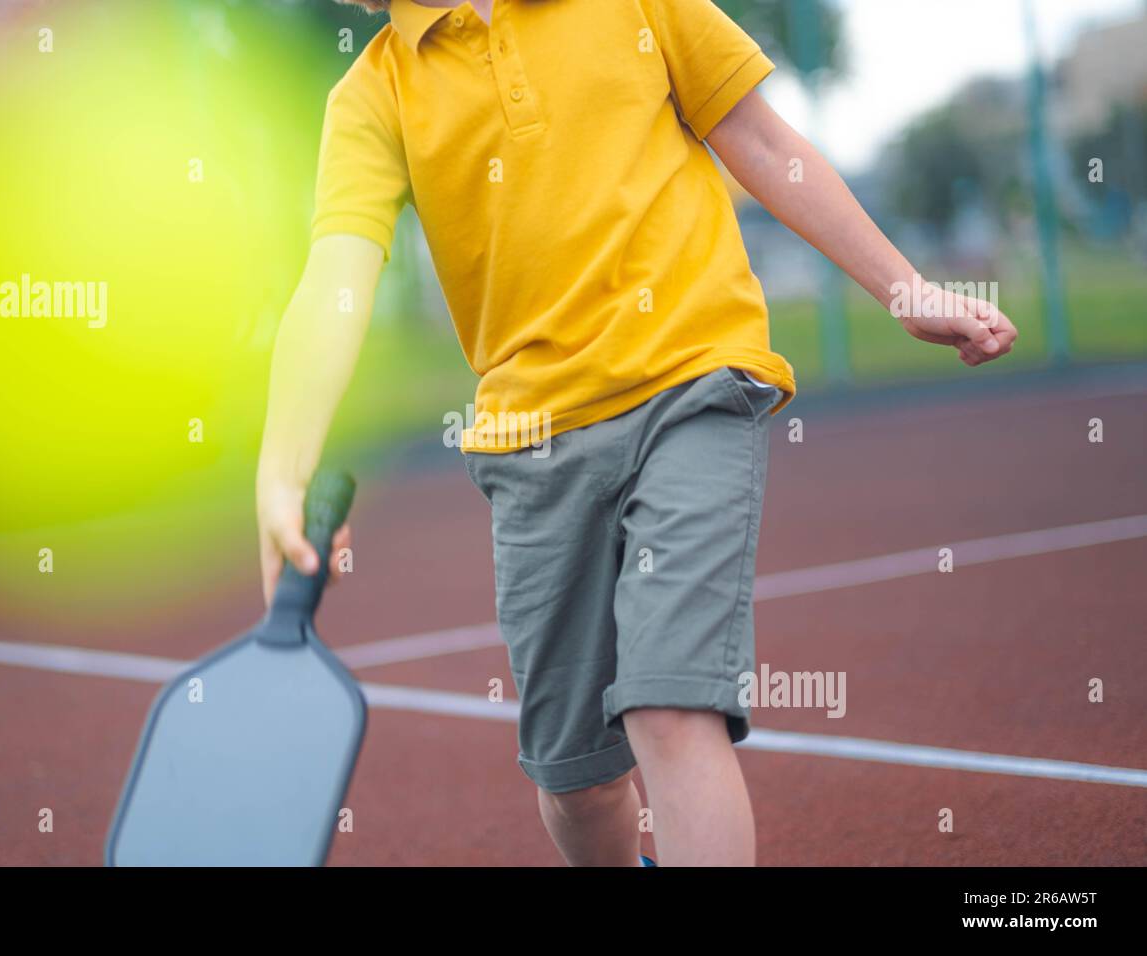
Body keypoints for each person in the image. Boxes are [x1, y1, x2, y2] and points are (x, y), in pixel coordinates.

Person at [255, 0, 1017, 866]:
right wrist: (282, 469)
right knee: (575, 780)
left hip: (693, 383)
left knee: (670, 705)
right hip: (531, 442)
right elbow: (336, 280)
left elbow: (765, 144)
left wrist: (906, 290)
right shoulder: (372, 94)